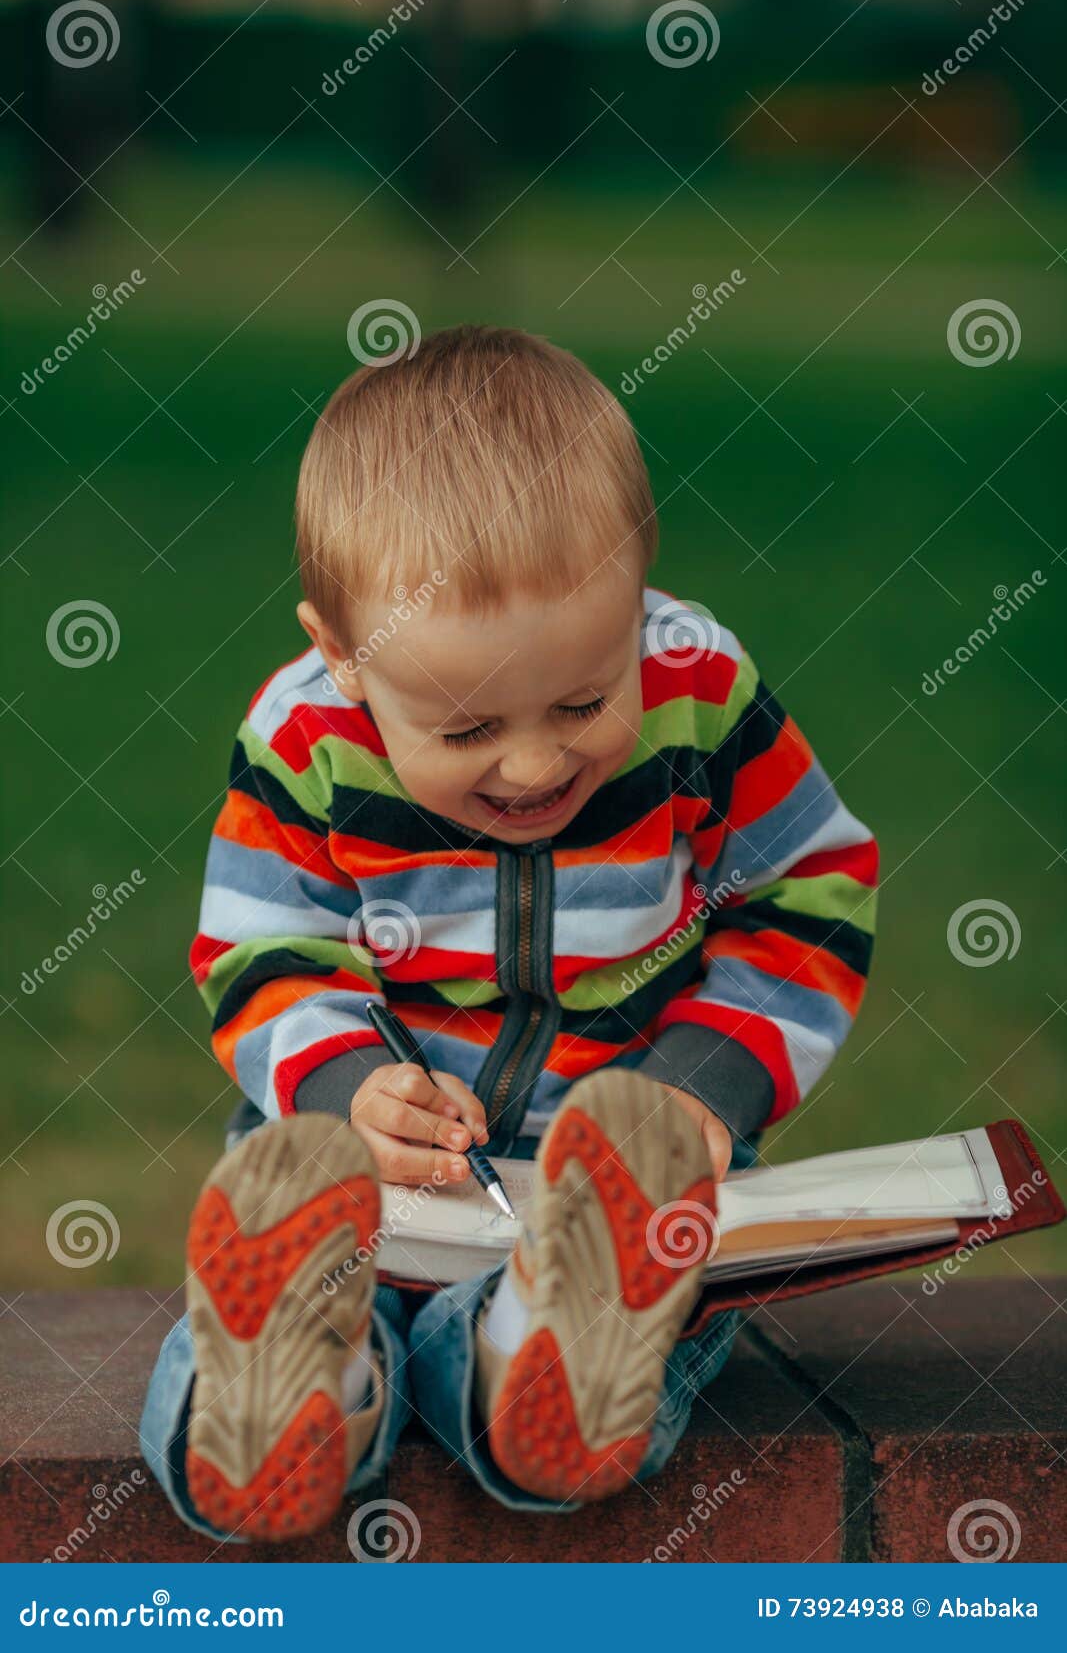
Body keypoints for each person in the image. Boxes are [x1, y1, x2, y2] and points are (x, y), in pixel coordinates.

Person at [140, 325, 877, 1542]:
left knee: (639, 1320)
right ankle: (298, 1370)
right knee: (326, 1270)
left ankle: (524, 1334)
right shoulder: (305, 740)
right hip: (375, 1188)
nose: (534, 764)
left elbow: (804, 890)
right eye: (467, 728)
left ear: (635, 595)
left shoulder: (697, 693)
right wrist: (343, 1087)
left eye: (583, 701)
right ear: (341, 654)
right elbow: (265, 949)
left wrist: (703, 1080)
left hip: (619, 1191)